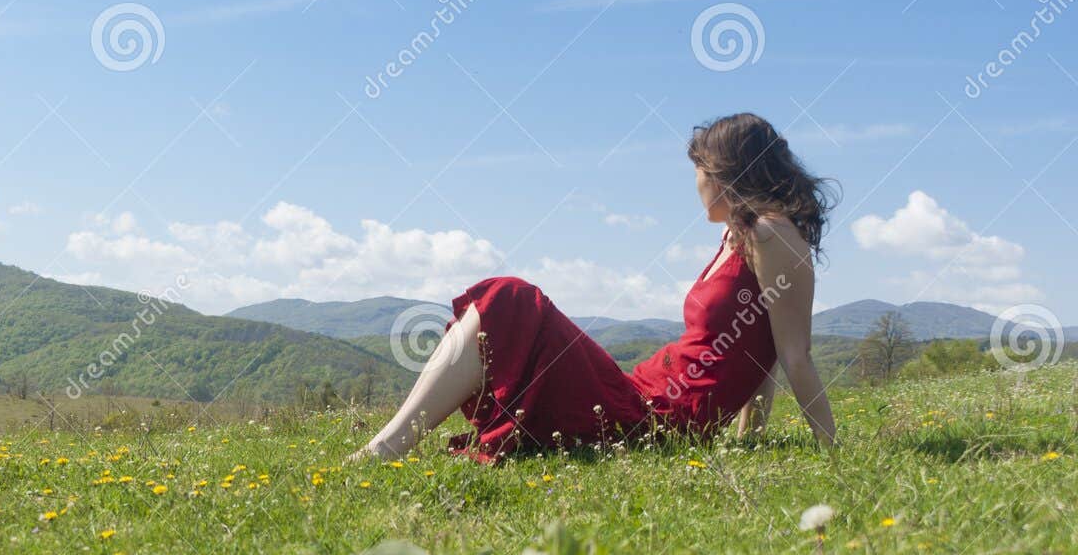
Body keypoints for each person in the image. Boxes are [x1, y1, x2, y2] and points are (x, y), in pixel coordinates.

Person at [352, 112, 839, 463]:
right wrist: (747, 435)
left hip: (657, 419)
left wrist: (832, 456)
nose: (695, 184)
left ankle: (385, 448)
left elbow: (793, 354)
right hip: (640, 392)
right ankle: (388, 444)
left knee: (511, 298)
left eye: (699, 170)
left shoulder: (771, 235)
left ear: (726, 173)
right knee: (509, 303)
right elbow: (762, 354)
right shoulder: (743, 234)